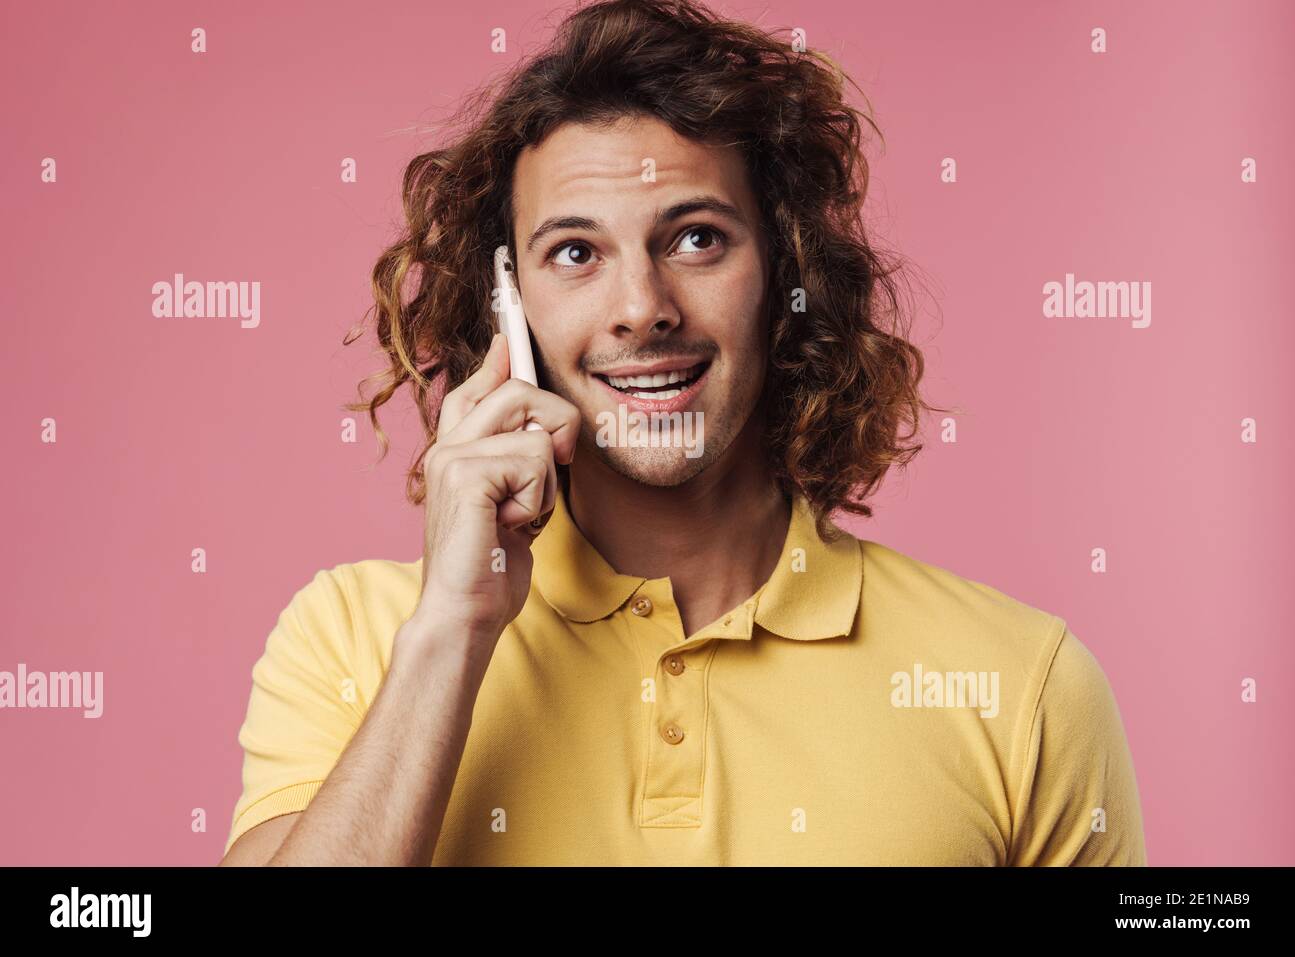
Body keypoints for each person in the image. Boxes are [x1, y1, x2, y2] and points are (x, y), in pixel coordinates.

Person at [220, 0, 1145, 866]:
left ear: (787, 273)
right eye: (575, 253)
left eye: (696, 238)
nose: (642, 309)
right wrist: (452, 633)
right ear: (509, 309)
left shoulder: (1023, 684)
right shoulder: (356, 640)